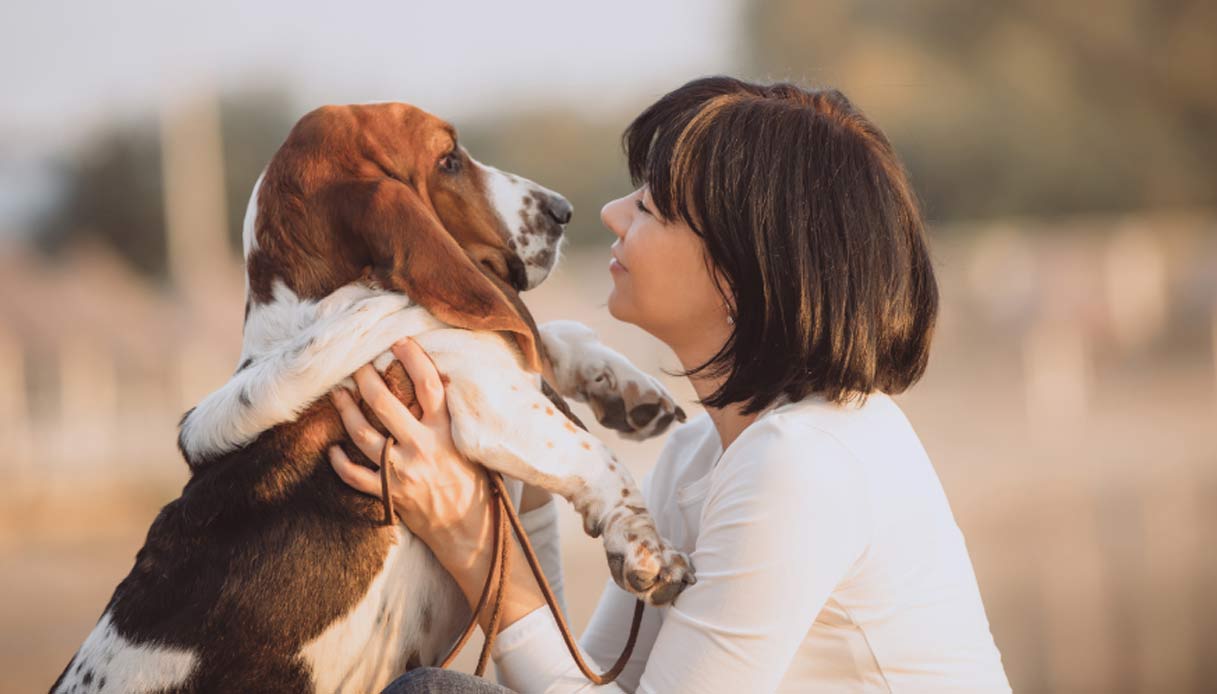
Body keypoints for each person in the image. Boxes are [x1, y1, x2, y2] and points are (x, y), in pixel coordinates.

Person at [328, 76, 1012, 693]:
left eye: (651, 208)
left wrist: (473, 541)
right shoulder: (701, 454)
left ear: (742, 270)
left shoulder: (805, 462)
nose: (611, 213)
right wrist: (523, 498)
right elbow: (592, 680)